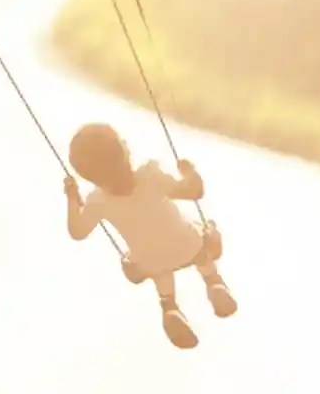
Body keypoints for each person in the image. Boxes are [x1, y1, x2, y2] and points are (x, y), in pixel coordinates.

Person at [63, 122, 237, 349]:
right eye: (122, 141)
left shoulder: (97, 201)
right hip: (188, 246)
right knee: (203, 241)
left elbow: (77, 232)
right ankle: (214, 283)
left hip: (149, 263)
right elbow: (193, 191)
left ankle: (169, 308)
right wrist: (189, 171)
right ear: (123, 153)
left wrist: (72, 198)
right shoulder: (151, 175)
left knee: (157, 266)